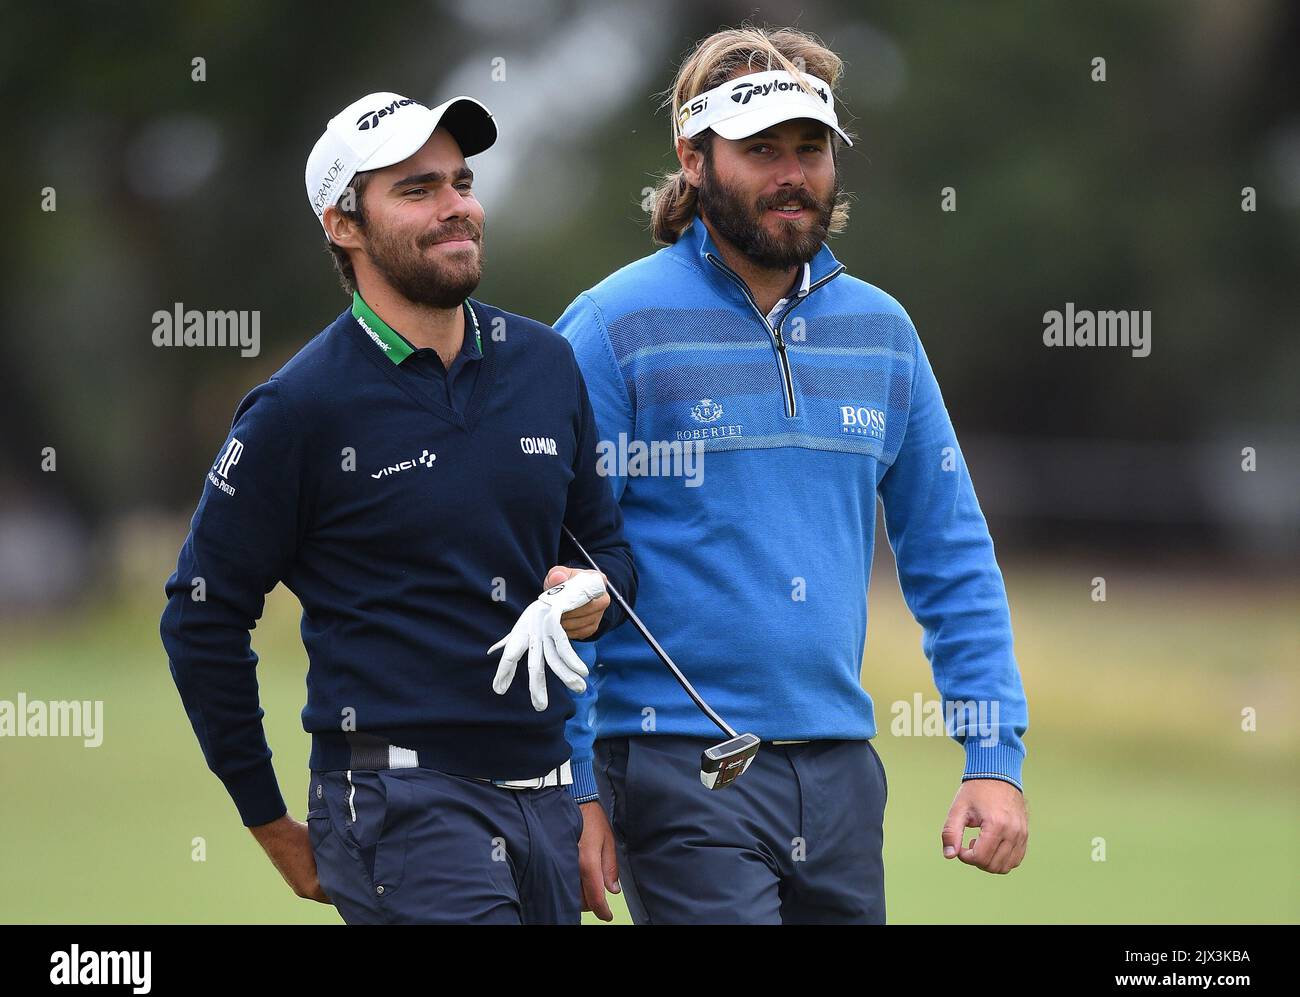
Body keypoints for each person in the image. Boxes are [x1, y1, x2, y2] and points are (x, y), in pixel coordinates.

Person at [556, 27, 1029, 924]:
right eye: (760, 149)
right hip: (679, 761)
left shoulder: (882, 331)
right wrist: (575, 786)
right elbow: (557, 570)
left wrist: (990, 757)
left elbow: (952, 553)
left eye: (808, 148)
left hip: (842, 769)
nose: (791, 172)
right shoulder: (613, 326)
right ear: (694, 160)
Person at [160, 91, 635, 924]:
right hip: (399, 802)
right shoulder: (298, 408)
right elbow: (201, 615)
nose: (457, 207)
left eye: (460, 181)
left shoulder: (546, 365)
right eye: (416, 190)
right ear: (343, 224)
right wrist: (271, 823)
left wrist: (590, 596)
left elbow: (608, 553)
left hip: (546, 799)